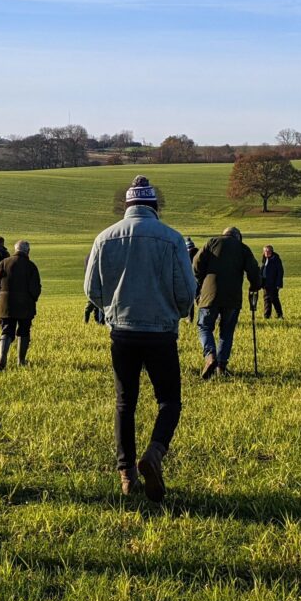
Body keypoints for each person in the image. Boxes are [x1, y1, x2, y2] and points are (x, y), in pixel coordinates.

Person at [83, 176, 196, 500]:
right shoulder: (172, 238)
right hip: (161, 332)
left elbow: (91, 289)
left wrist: (112, 310)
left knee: (125, 403)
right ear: (153, 206)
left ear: (128, 206)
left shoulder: (104, 238)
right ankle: (154, 453)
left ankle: (127, 475)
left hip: (122, 333)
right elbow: (186, 290)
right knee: (169, 401)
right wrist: (175, 311)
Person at [193, 226, 261, 378]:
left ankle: (210, 356)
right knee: (227, 331)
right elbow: (254, 271)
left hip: (209, 296)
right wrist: (255, 285)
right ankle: (221, 367)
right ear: (238, 237)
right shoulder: (243, 248)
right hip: (232, 297)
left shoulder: (212, 242)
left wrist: (202, 280)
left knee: (204, 327)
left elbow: (196, 263)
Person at [0, 239, 42, 369]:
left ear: (15, 250)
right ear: (27, 251)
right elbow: (36, 288)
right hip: (25, 306)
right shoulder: (31, 266)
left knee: (6, 330)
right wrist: (32, 299)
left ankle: (1, 358)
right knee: (24, 331)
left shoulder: (4, 263)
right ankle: (21, 361)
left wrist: (1, 298)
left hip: (6, 305)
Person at [259, 244, 284, 318]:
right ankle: (267, 316)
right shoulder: (265, 259)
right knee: (267, 299)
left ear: (271, 251)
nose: (266, 252)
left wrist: (279, 284)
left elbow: (280, 272)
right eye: (265, 251)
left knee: (274, 299)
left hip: (273, 284)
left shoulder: (276, 260)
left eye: (268, 251)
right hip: (265, 283)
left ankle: (280, 315)